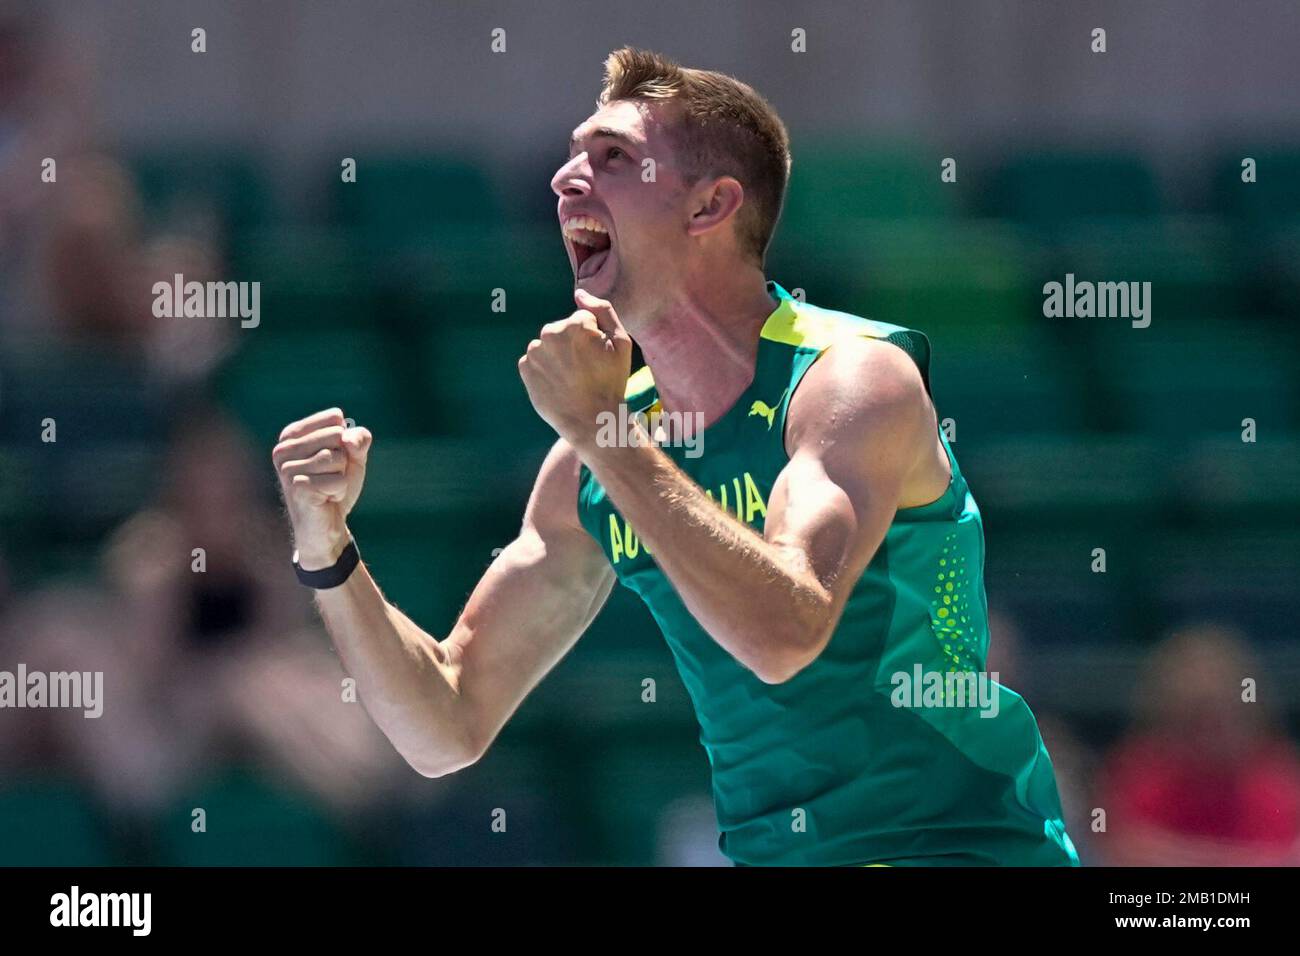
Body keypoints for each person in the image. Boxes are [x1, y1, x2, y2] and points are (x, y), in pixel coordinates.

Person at [271, 47, 1077, 866]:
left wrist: (599, 432)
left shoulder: (851, 379)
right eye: (573, 152)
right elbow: (445, 722)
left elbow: (787, 630)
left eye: (612, 156)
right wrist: (326, 551)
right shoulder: (601, 454)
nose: (565, 179)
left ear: (711, 206)